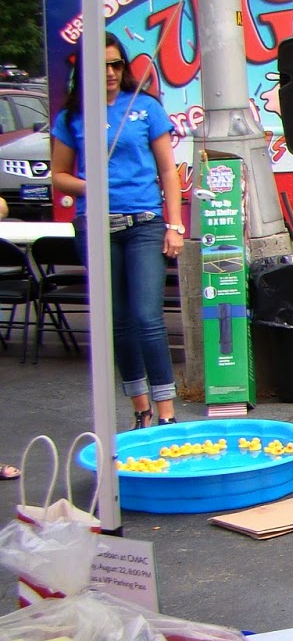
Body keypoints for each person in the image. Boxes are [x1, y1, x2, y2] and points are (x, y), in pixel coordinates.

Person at [49, 32, 184, 429]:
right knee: (119, 321)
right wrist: (92, 187)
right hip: (96, 224)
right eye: (101, 66)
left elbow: (167, 172)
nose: (110, 73)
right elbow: (59, 176)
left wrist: (174, 224)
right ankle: (139, 408)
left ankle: (167, 413)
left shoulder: (144, 107)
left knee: (147, 317)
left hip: (143, 222)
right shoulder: (72, 117)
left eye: (116, 64)